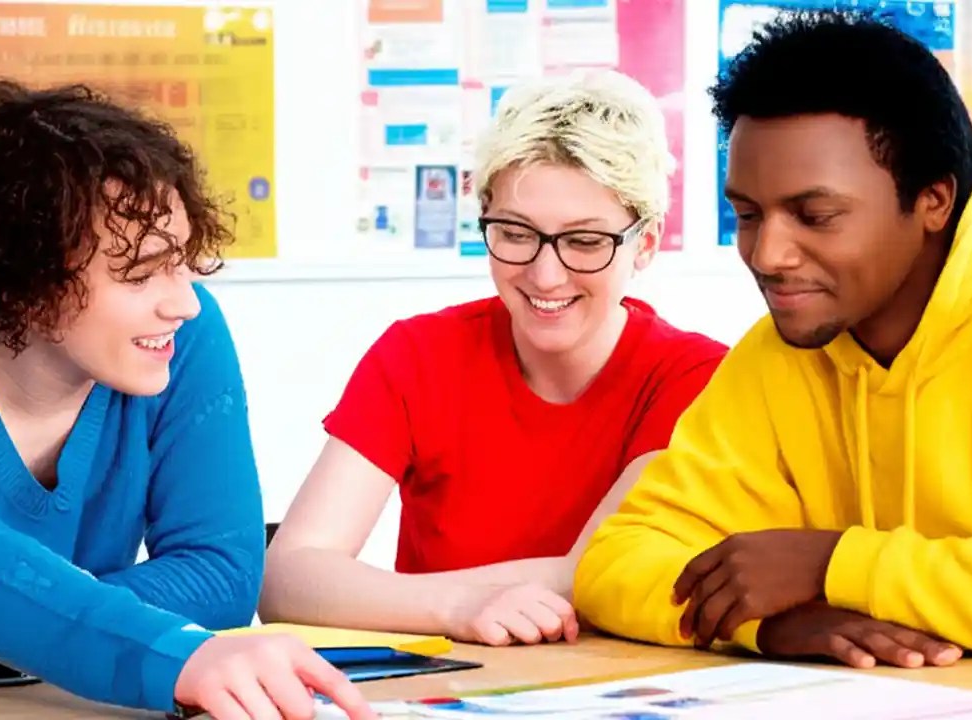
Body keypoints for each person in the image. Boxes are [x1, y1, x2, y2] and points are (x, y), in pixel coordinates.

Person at [574, 9, 972, 669]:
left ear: (933, 201)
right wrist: (771, 624)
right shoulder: (778, 353)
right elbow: (618, 562)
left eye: (816, 215)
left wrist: (836, 564)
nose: (768, 253)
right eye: (747, 214)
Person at [0, 80, 373, 720]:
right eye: (141, 274)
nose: (184, 302)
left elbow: (223, 577)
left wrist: (6, 613)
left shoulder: (184, 342)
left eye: (182, 262)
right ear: (21, 285)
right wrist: (162, 648)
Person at [260, 70, 728, 646]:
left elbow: (601, 573)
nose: (545, 274)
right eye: (515, 232)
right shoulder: (419, 356)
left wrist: (389, 595)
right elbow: (288, 577)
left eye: (585, 241)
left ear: (646, 243)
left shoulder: (693, 377)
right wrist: (457, 606)